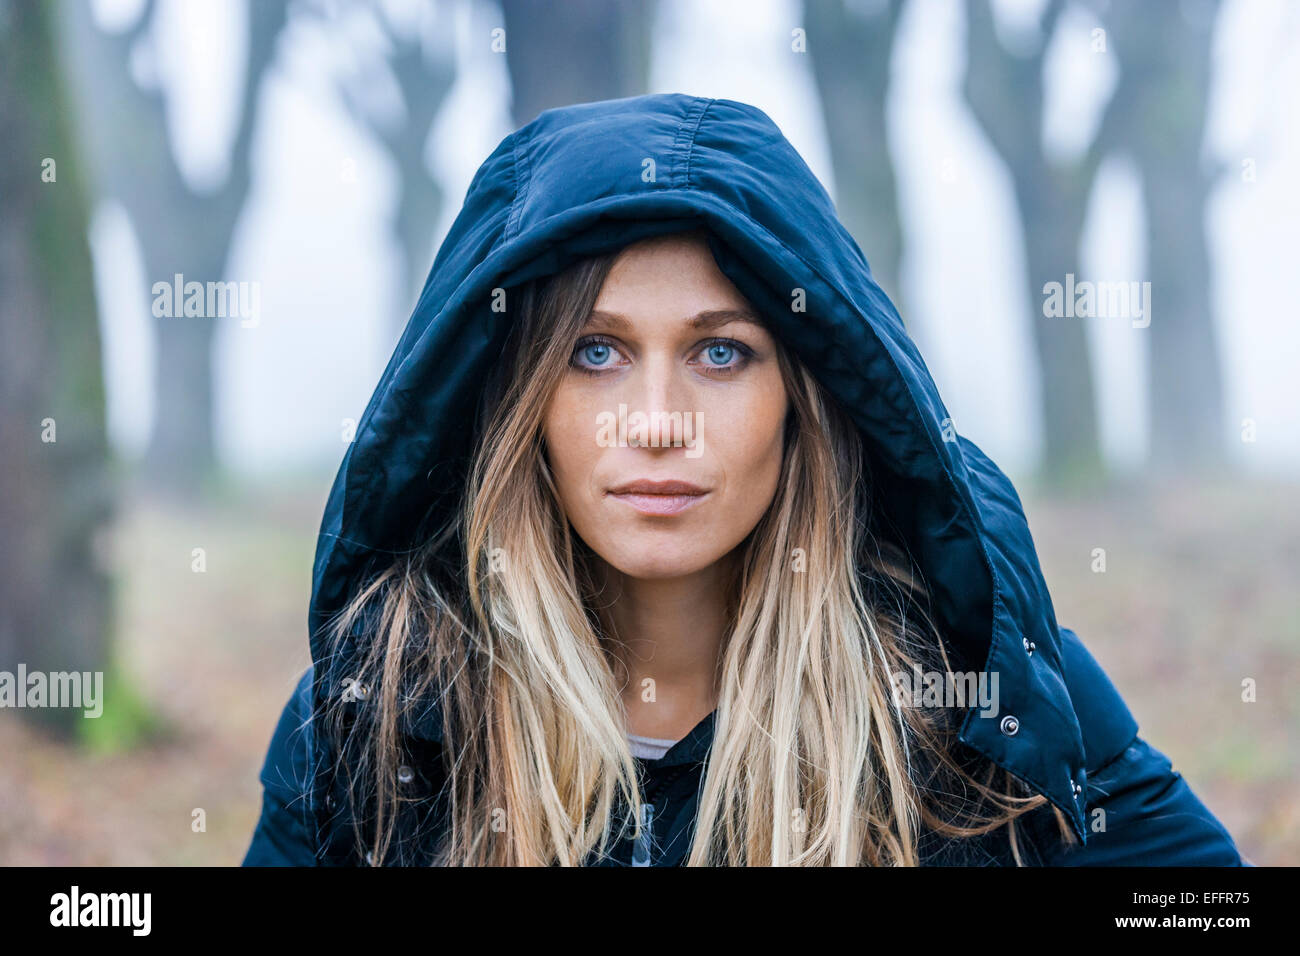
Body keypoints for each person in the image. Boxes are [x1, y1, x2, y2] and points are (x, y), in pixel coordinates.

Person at [242, 93, 1245, 866]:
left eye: (720, 354)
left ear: (804, 398)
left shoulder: (978, 690)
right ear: (519, 403)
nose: (658, 421)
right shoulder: (383, 703)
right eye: (594, 352)